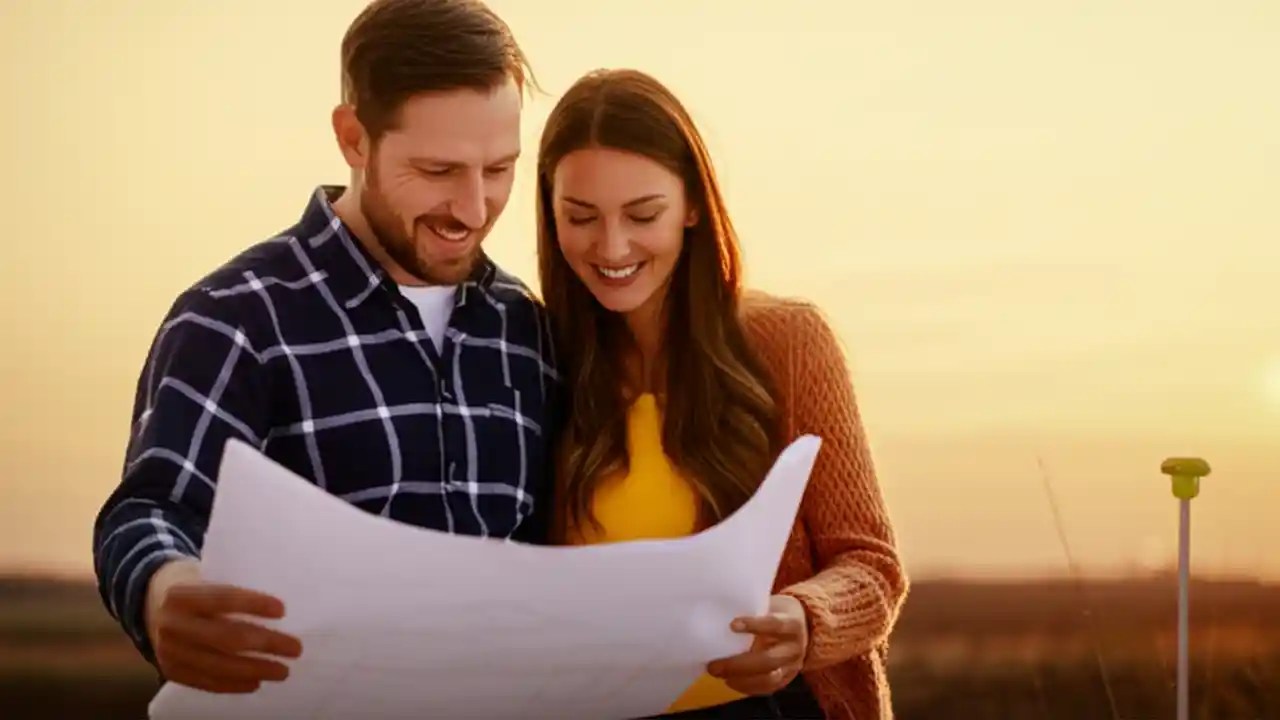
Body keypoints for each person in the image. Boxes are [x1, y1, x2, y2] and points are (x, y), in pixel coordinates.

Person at [92, 0, 558, 696]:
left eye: (499, 170)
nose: (472, 208)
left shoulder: (528, 332)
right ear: (353, 139)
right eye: (437, 171)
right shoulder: (236, 319)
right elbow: (152, 509)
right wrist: (166, 589)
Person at [535, 68, 909, 720]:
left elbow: (872, 565)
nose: (612, 246)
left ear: (693, 205)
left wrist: (803, 619)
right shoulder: (538, 361)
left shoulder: (788, 343)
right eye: (581, 217)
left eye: (642, 214)